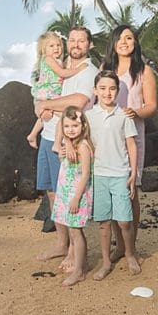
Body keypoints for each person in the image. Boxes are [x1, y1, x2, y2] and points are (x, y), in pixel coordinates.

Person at [34, 26, 99, 264]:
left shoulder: (87, 70)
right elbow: (40, 96)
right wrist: (39, 106)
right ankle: (62, 244)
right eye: (72, 40)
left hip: (70, 140)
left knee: (67, 193)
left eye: (81, 41)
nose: (75, 44)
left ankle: (74, 249)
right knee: (51, 192)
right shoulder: (59, 67)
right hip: (48, 136)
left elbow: (79, 102)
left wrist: (47, 104)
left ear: (89, 45)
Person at [101, 25, 158, 258]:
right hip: (108, 138)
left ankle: (131, 246)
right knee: (112, 190)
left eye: (129, 38)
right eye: (120, 38)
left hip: (133, 136)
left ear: (135, 42)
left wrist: (135, 112)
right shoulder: (105, 68)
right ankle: (119, 244)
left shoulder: (143, 71)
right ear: (113, 43)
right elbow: (95, 99)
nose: (125, 42)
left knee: (131, 189)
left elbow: (152, 106)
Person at [86, 70, 141, 280]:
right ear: (95, 91)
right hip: (99, 175)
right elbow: (82, 140)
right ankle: (106, 262)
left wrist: (133, 172)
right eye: (102, 88)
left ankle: (129, 253)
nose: (107, 93)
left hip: (120, 174)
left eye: (111, 89)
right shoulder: (89, 116)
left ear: (117, 91)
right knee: (103, 222)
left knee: (125, 221)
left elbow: (131, 144)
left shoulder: (123, 115)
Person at [50, 106, 93, 286]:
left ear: (83, 126)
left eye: (74, 126)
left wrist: (76, 198)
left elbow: (85, 174)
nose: (70, 130)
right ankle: (79, 263)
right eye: (67, 126)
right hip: (66, 192)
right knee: (71, 229)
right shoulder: (70, 144)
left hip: (77, 194)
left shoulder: (83, 146)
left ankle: (79, 271)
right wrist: (62, 153)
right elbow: (66, 166)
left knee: (76, 232)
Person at [26, 31, 87, 150]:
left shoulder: (58, 61)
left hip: (50, 92)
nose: (56, 48)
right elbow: (62, 73)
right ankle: (57, 143)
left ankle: (33, 135)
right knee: (64, 115)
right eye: (51, 46)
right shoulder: (48, 59)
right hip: (48, 91)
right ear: (43, 50)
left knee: (51, 114)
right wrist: (79, 69)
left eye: (58, 45)